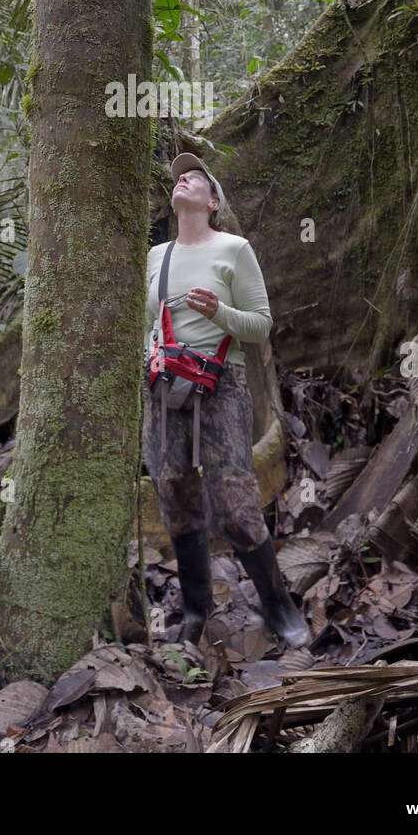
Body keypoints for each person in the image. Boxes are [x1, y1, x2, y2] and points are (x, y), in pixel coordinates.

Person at [143, 152, 309, 650]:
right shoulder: (157, 256)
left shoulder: (235, 249)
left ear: (213, 201)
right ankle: (196, 609)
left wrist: (221, 314)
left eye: (194, 176)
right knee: (174, 496)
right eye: (178, 177)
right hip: (161, 388)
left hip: (221, 385)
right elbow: (143, 322)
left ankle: (278, 603)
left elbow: (261, 325)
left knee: (236, 505)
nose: (183, 178)